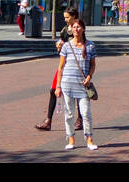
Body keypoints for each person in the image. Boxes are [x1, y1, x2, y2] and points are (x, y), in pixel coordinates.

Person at [36, 8, 83, 131]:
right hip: (64, 64)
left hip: (74, 66)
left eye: (67, 17)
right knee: (53, 90)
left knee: (78, 93)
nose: (65, 19)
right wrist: (59, 45)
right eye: (65, 17)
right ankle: (48, 121)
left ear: (74, 16)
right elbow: (61, 43)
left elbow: (81, 45)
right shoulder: (64, 30)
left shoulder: (79, 28)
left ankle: (80, 119)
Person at [56, 19, 98, 151]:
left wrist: (89, 77)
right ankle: (71, 139)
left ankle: (89, 139)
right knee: (69, 114)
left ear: (83, 29)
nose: (76, 29)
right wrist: (58, 86)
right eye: (73, 27)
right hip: (67, 83)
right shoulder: (66, 46)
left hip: (82, 85)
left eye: (78, 27)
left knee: (86, 113)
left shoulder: (90, 46)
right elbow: (61, 67)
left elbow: (92, 64)